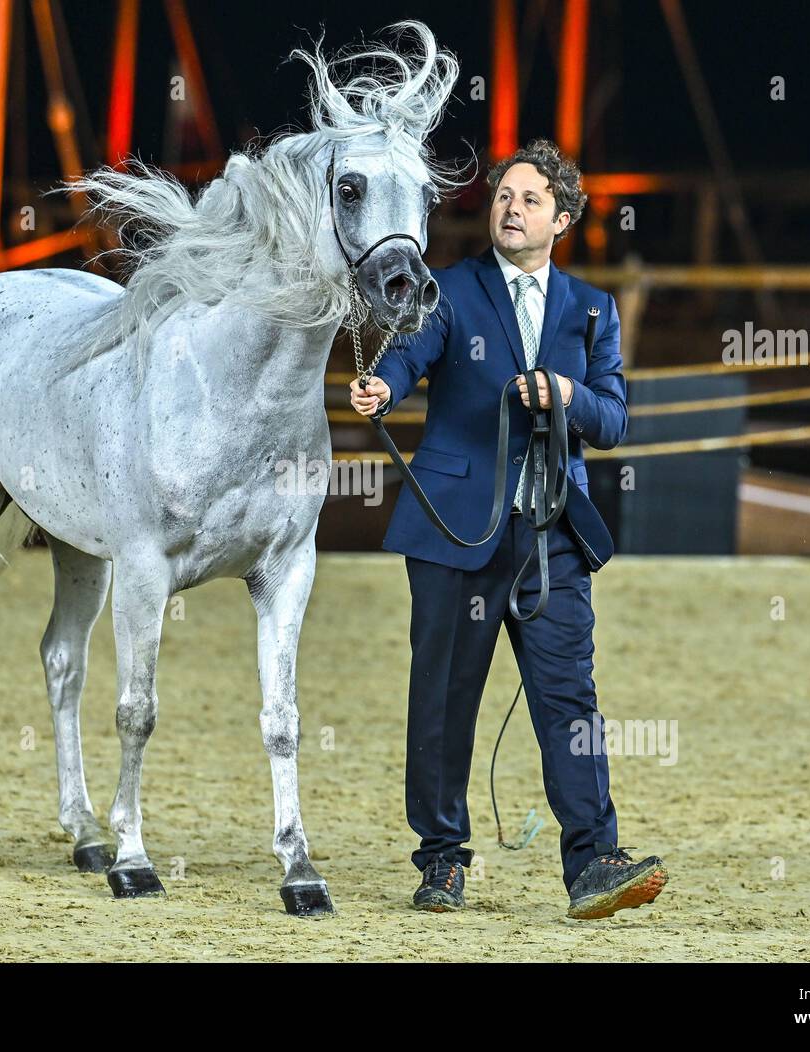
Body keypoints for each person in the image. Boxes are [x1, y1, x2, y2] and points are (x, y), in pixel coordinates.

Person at [350, 139, 667, 919]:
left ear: (561, 218)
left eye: (528, 200)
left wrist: (566, 393)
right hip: (456, 531)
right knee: (444, 700)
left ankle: (594, 861)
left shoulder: (593, 308)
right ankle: (443, 861)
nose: (510, 209)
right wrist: (380, 387)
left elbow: (615, 418)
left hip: (553, 534)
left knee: (571, 702)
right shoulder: (449, 290)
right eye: (502, 198)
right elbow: (408, 356)